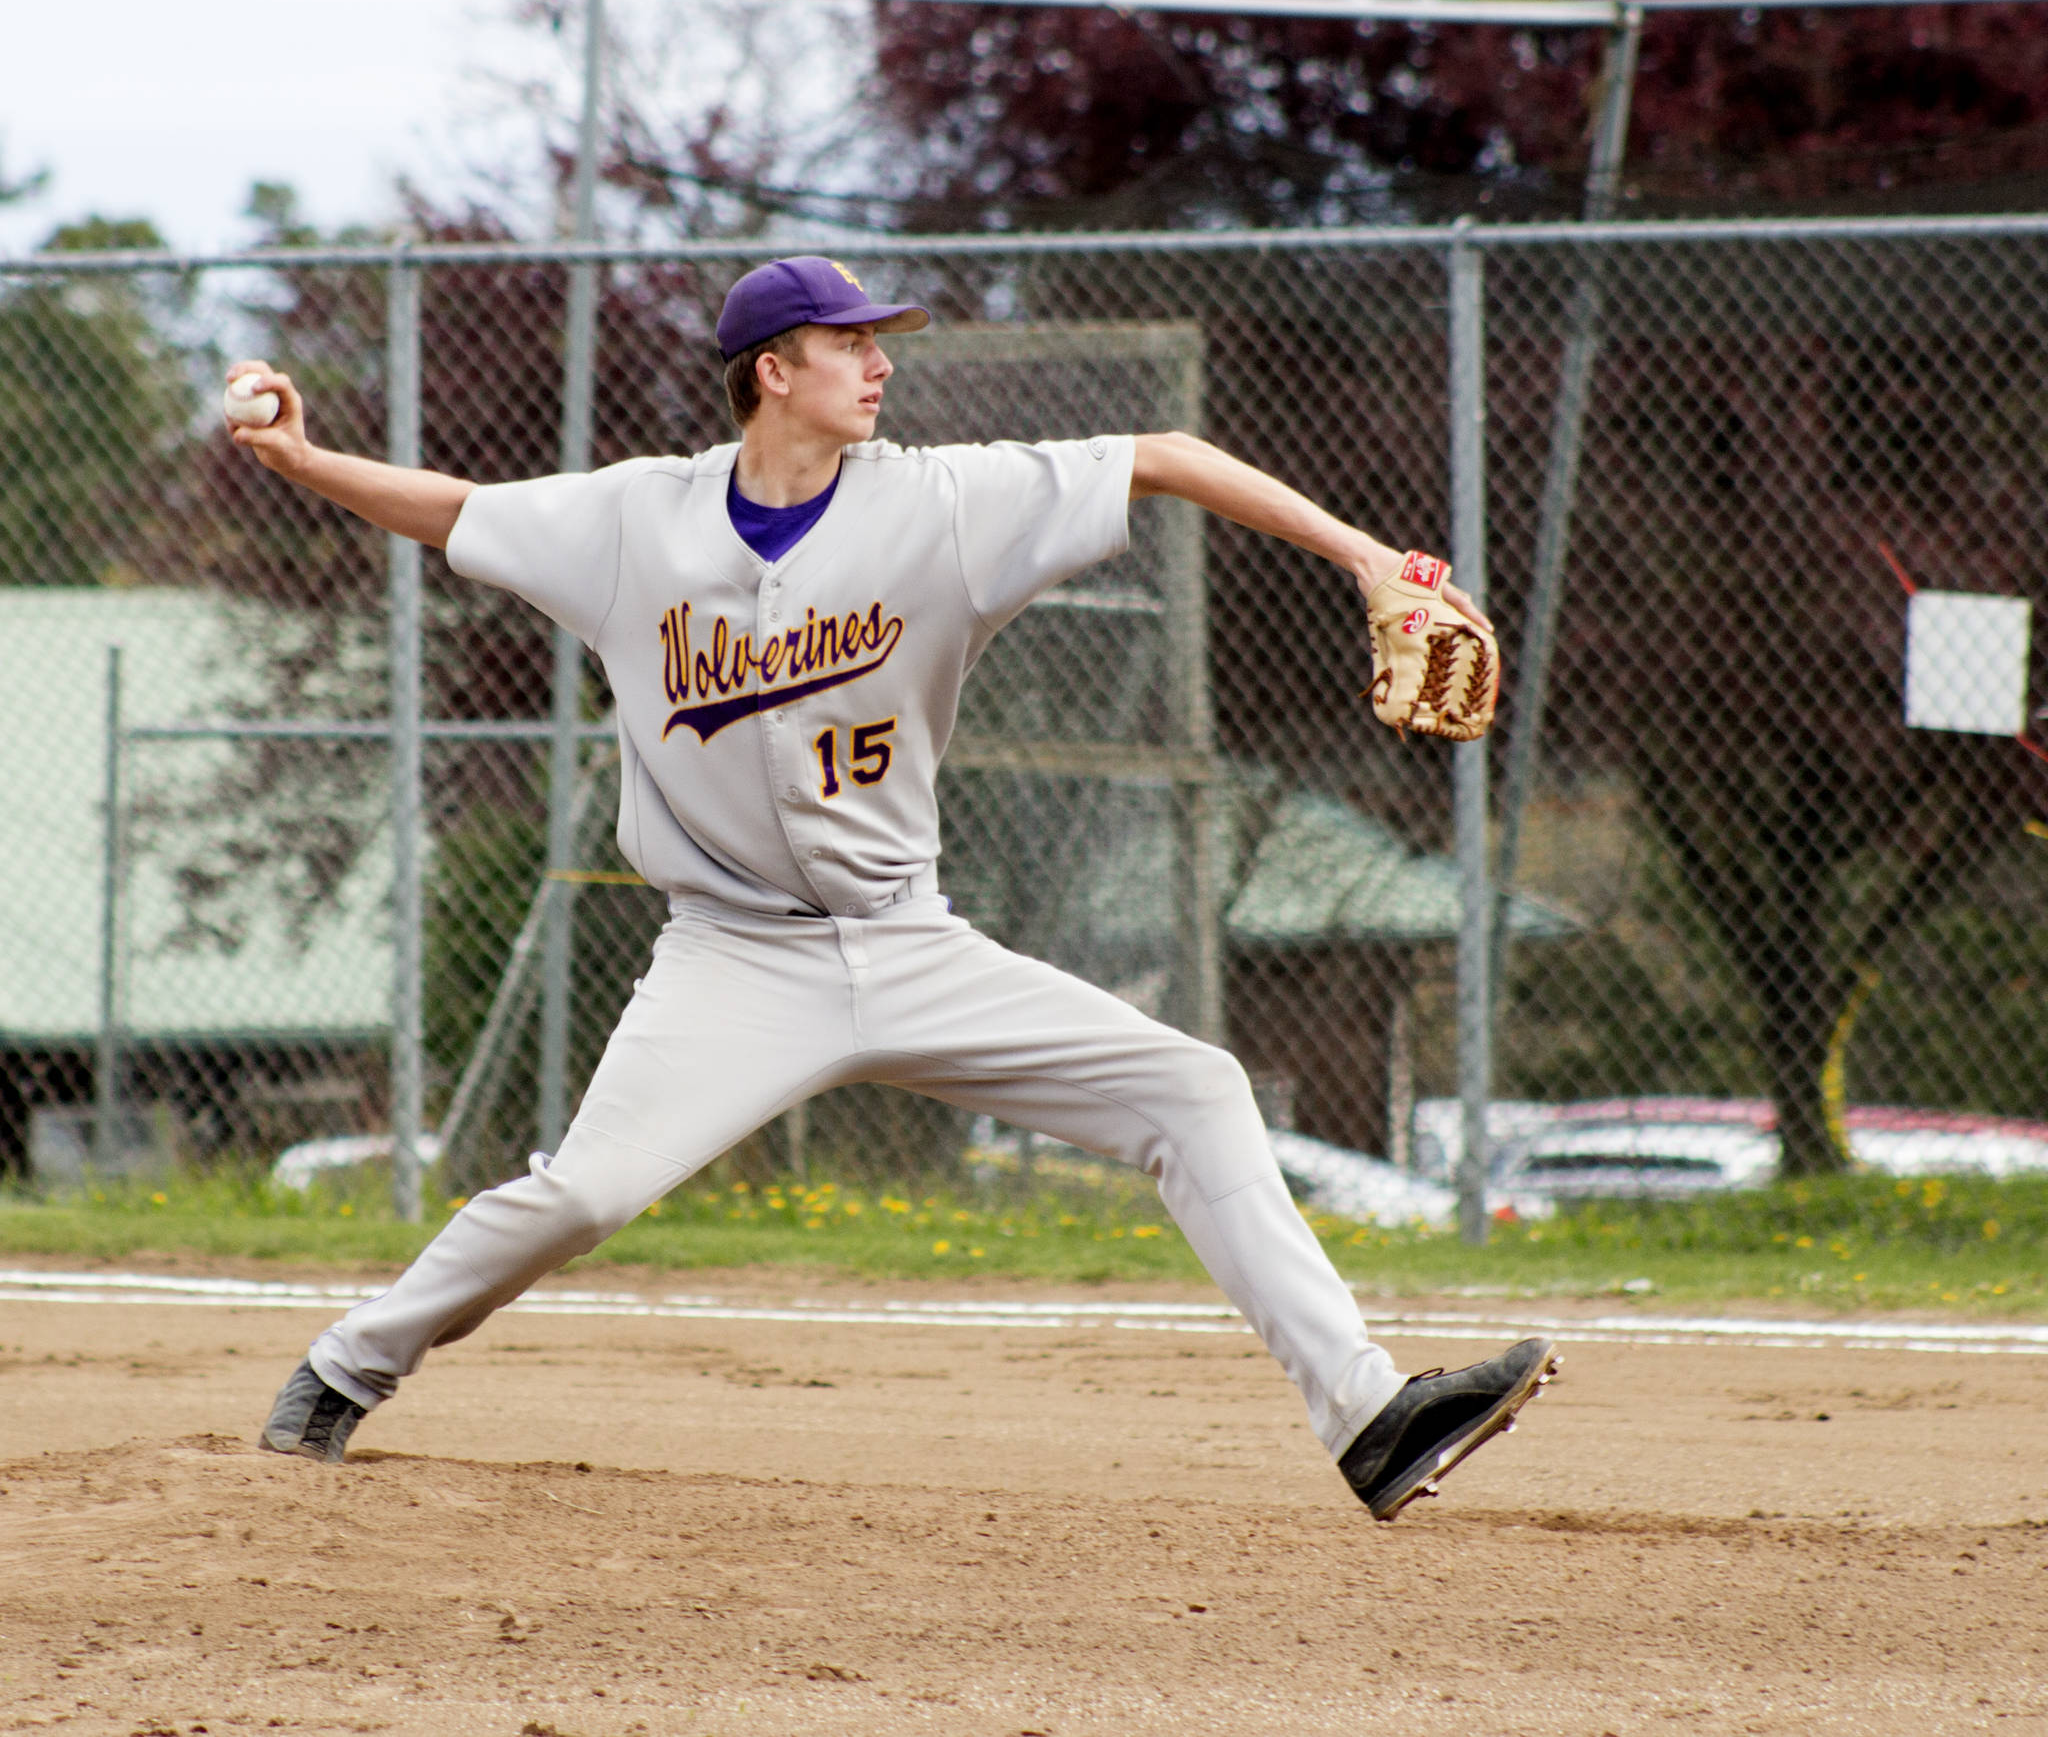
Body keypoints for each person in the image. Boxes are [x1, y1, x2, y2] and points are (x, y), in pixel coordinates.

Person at [233, 255, 1556, 1521]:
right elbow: (457, 508)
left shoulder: (941, 502)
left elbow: (1165, 459)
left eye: (880, 343)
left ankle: (1373, 1423)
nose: (879, 365)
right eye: (851, 344)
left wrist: (1366, 558)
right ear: (772, 372)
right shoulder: (634, 520)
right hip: (731, 959)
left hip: (910, 944)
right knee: (581, 1197)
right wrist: (297, 460)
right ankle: (342, 1374)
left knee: (1193, 1092)